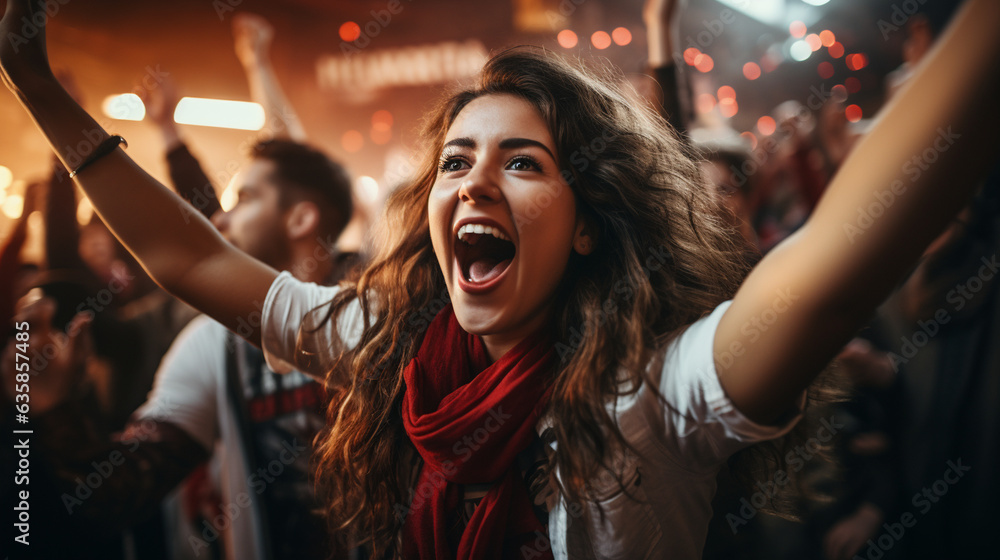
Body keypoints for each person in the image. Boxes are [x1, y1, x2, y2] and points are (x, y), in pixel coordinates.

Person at [1, 1, 998, 558]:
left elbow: (829, 269)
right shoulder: (389, 342)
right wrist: (41, 87)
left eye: (521, 162)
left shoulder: (656, 391)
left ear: (585, 230)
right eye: (454, 161)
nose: (473, 177)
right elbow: (194, 258)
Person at [3, 138, 355, 560]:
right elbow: (119, 490)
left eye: (244, 199)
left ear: (300, 218)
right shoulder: (212, 341)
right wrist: (51, 408)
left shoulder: (387, 312)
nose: (222, 218)